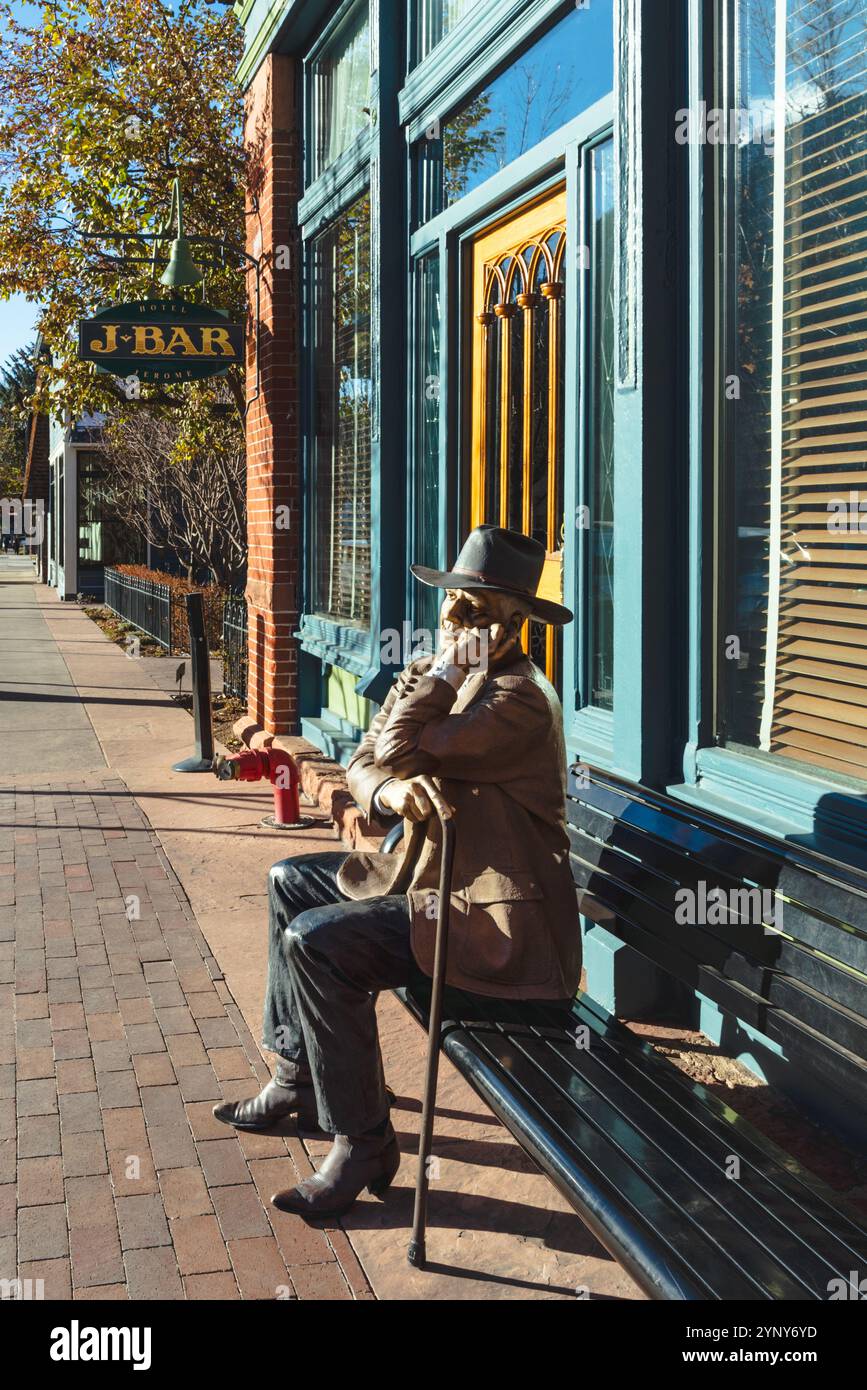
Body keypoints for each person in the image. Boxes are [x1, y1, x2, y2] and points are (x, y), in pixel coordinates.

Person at [214, 525, 580, 1218]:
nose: (458, 621)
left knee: (319, 944)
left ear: (513, 624)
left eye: (478, 610)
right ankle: (296, 1076)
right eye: (455, 605)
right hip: (423, 876)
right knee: (291, 879)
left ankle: (363, 1141)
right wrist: (387, 792)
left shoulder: (519, 700)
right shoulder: (429, 674)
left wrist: (439, 683)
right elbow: (363, 759)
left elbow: (403, 741)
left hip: (492, 916)